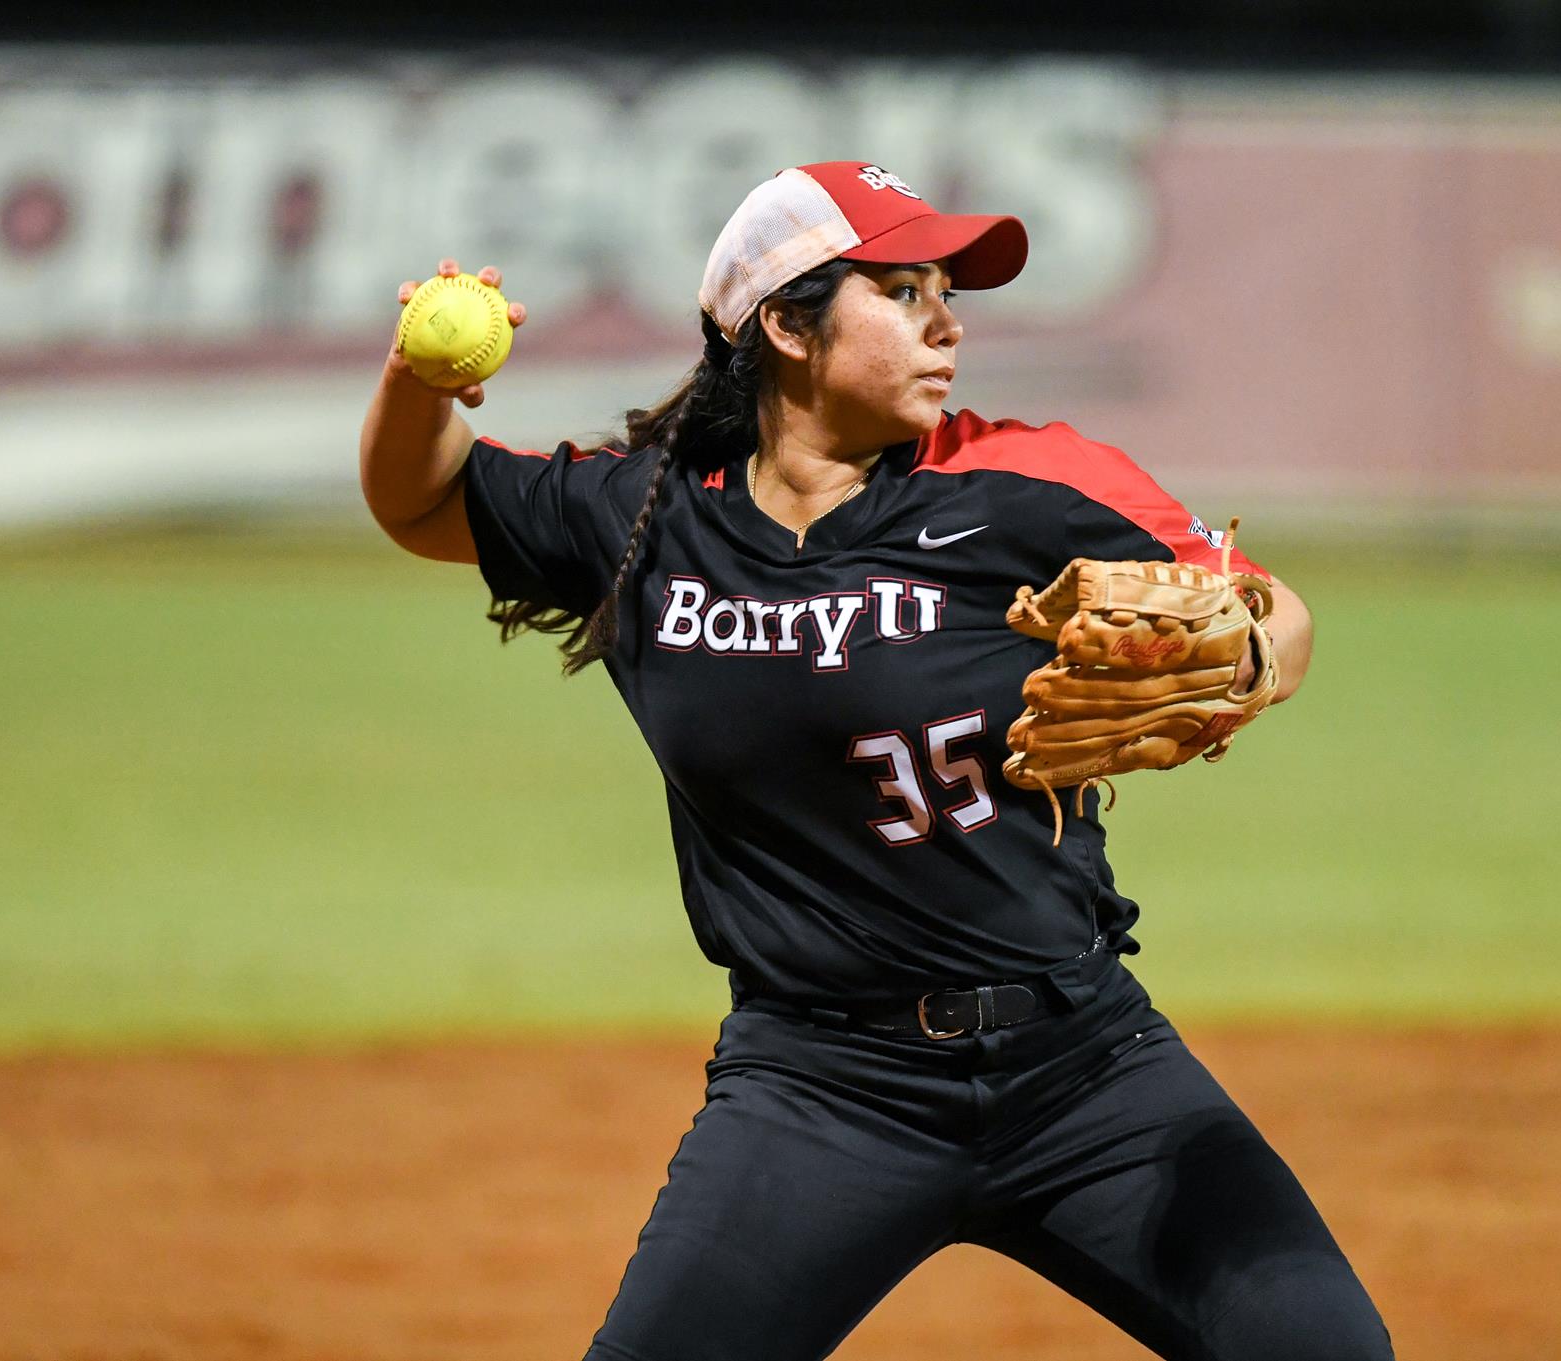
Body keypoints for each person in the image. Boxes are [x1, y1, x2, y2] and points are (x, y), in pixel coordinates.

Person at [360, 161, 1393, 1361]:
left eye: (944, 290)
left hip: (1085, 1068)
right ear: (787, 326)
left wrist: (1249, 658)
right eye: (901, 292)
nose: (945, 321)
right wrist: (415, 380)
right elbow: (421, 497)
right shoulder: (648, 517)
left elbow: (1263, 605)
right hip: (818, 1090)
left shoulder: (1021, 482)